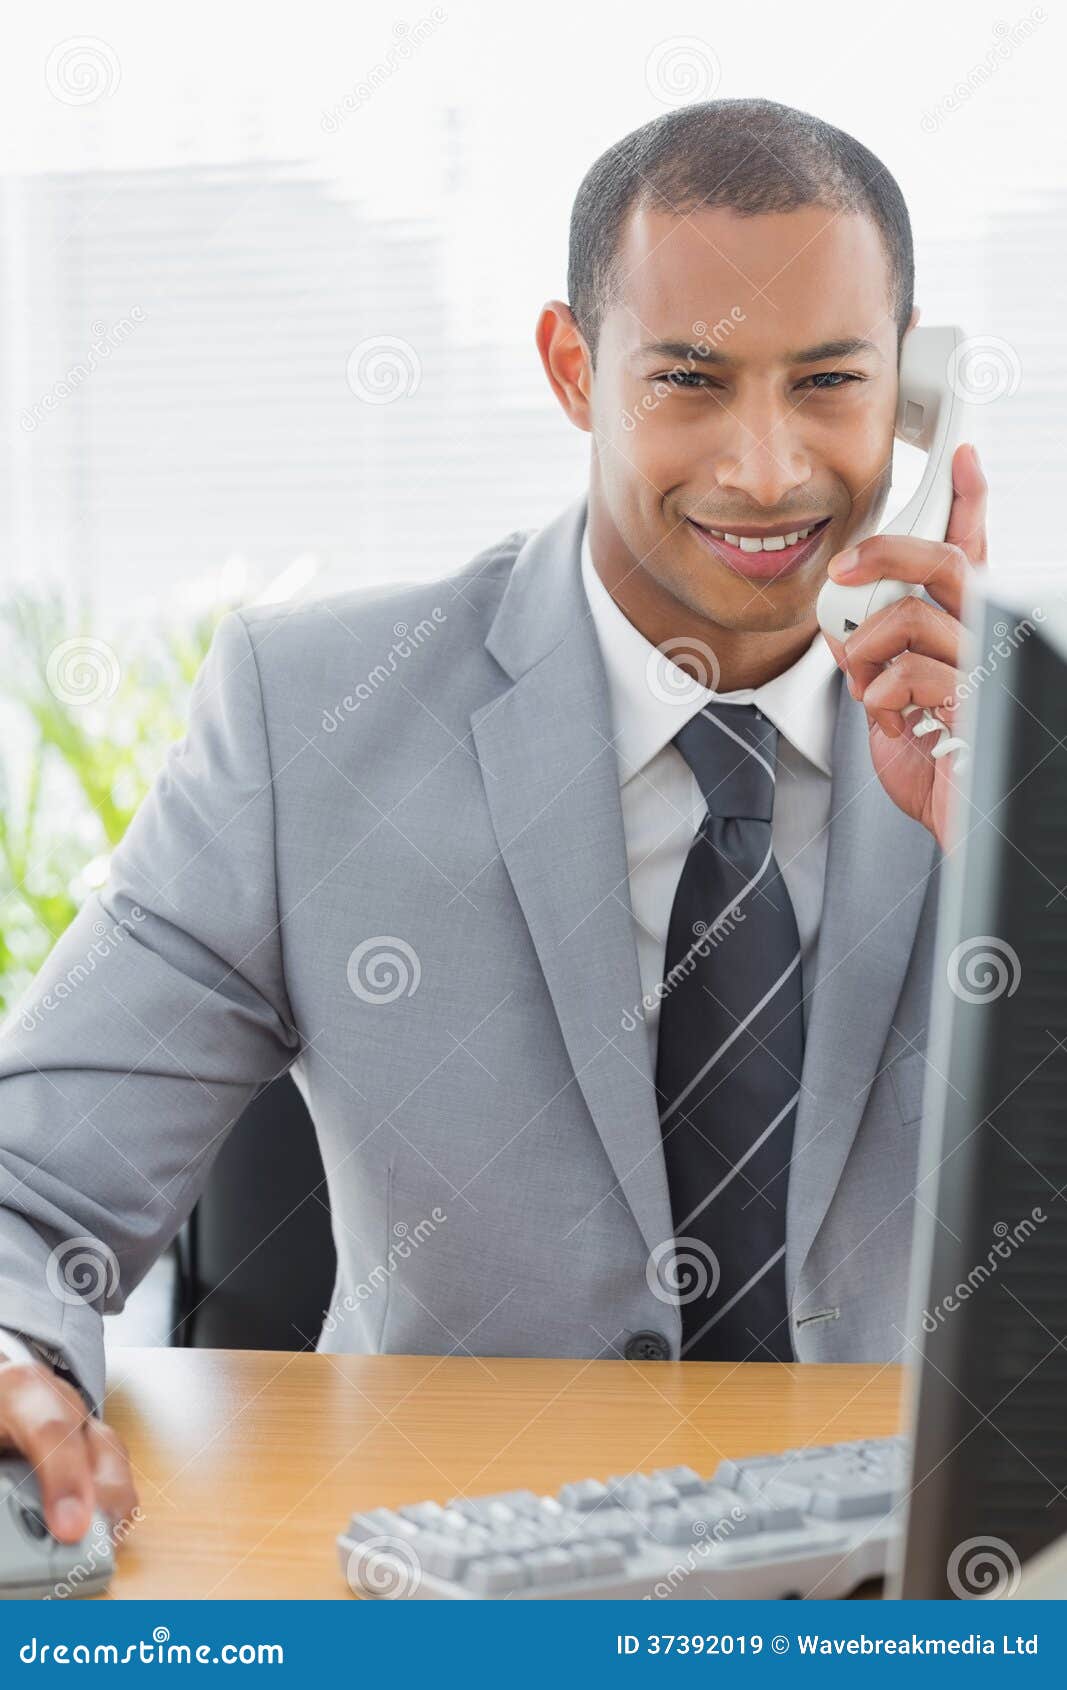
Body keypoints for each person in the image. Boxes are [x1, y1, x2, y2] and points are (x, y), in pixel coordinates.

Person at [0, 97, 986, 1549]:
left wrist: (1025, 850)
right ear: (575, 369)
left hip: (926, 1584)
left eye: (830, 382)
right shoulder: (313, 717)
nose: (769, 470)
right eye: (692, 381)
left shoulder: (1029, 735)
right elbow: (35, 1180)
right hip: (449, 1567)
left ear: (913, 386)